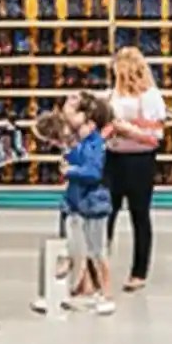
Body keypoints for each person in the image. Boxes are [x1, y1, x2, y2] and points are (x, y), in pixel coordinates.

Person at [105, 47, 165, 292]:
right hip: (112, 159)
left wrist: (128, 130)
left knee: (139, 215)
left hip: (140, 162)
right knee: (106, 214)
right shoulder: (112, 95)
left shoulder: (151, 97)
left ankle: (139, 272)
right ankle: (99, 268)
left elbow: (156, 136)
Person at [60, 92, 116, 315]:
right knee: (76, 247)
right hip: (76, 203)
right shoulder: (81, 142)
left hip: (94, 204)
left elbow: (93, 172)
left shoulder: (95, 145)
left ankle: (105, 292)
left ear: (90, 122)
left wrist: (70, 171)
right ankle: (82, 289)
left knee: (97, 250)